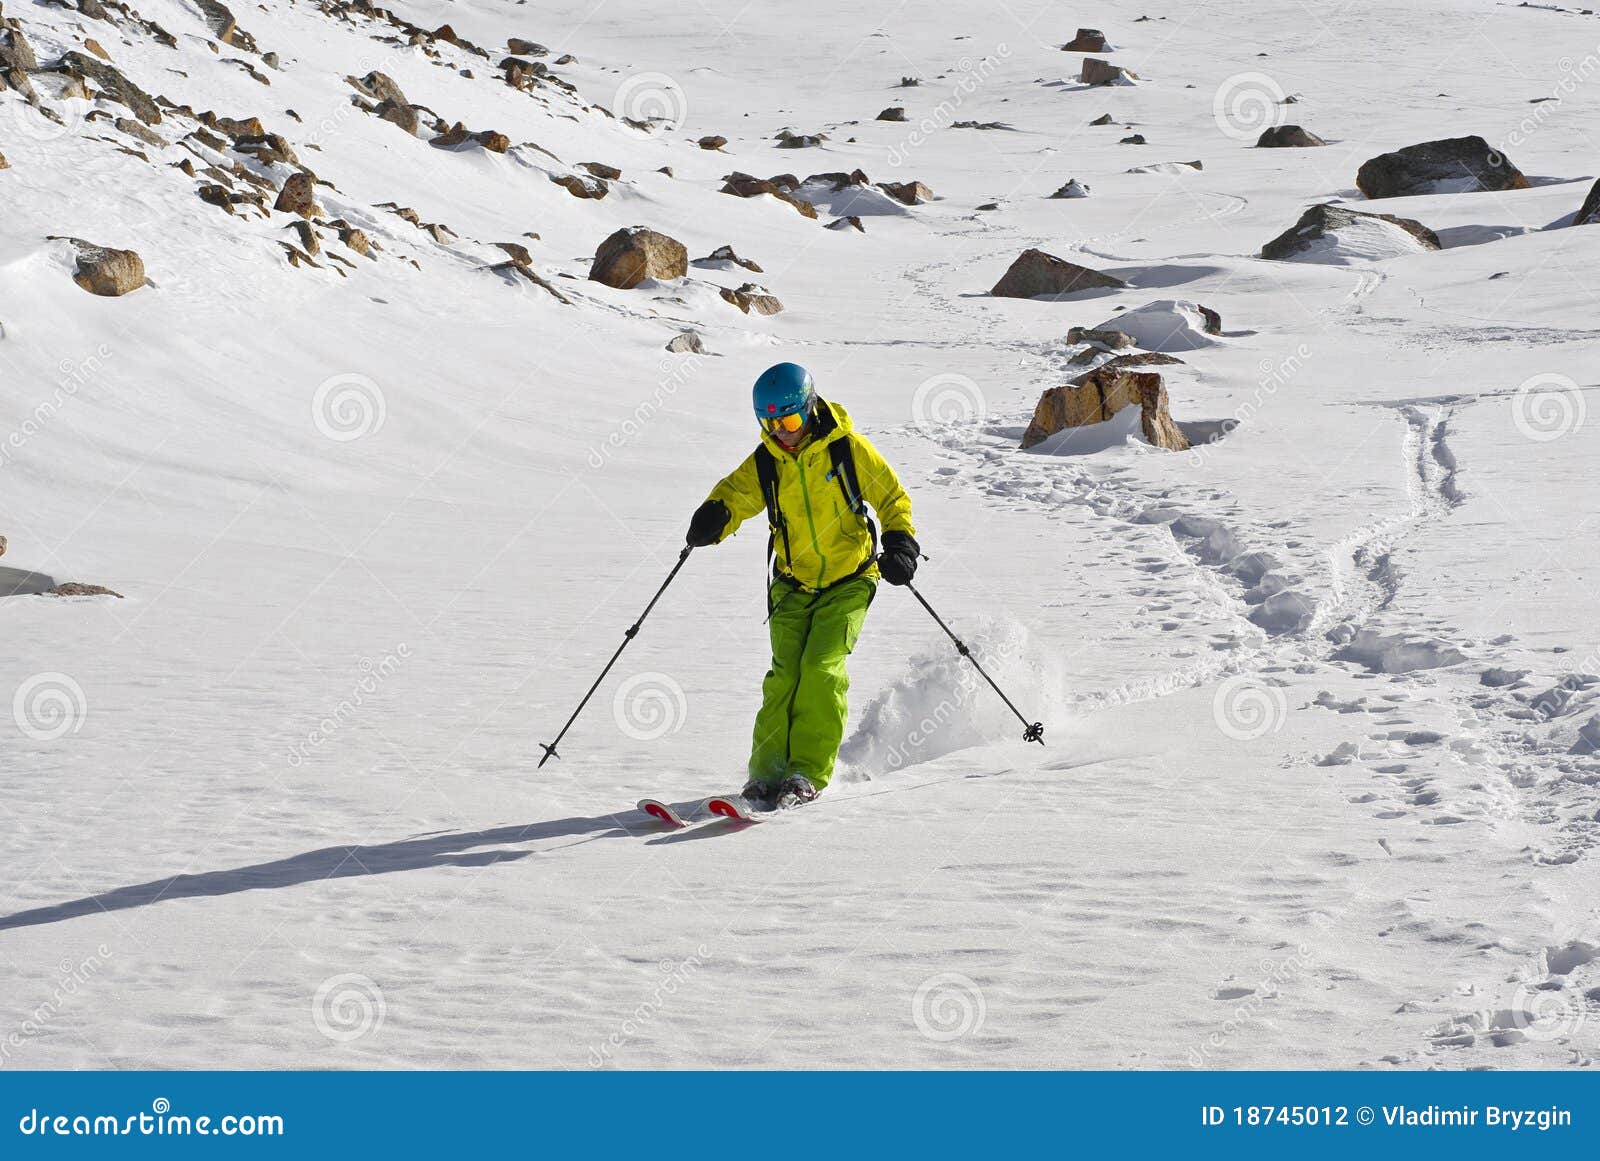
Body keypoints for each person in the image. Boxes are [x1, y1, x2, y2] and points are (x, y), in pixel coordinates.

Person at [686, 362, 920, 808]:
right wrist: (713, 518)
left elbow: (892, 498)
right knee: (784, 677)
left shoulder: (846, 450)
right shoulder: (766, 462)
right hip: (792, 585)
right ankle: (765, 774)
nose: (781, 433)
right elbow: (735, 495)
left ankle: (806, 772)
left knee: (820, 669)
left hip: (849, 580)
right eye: (769, 424)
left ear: (810, 409)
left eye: (789, 421)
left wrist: (900, 543)